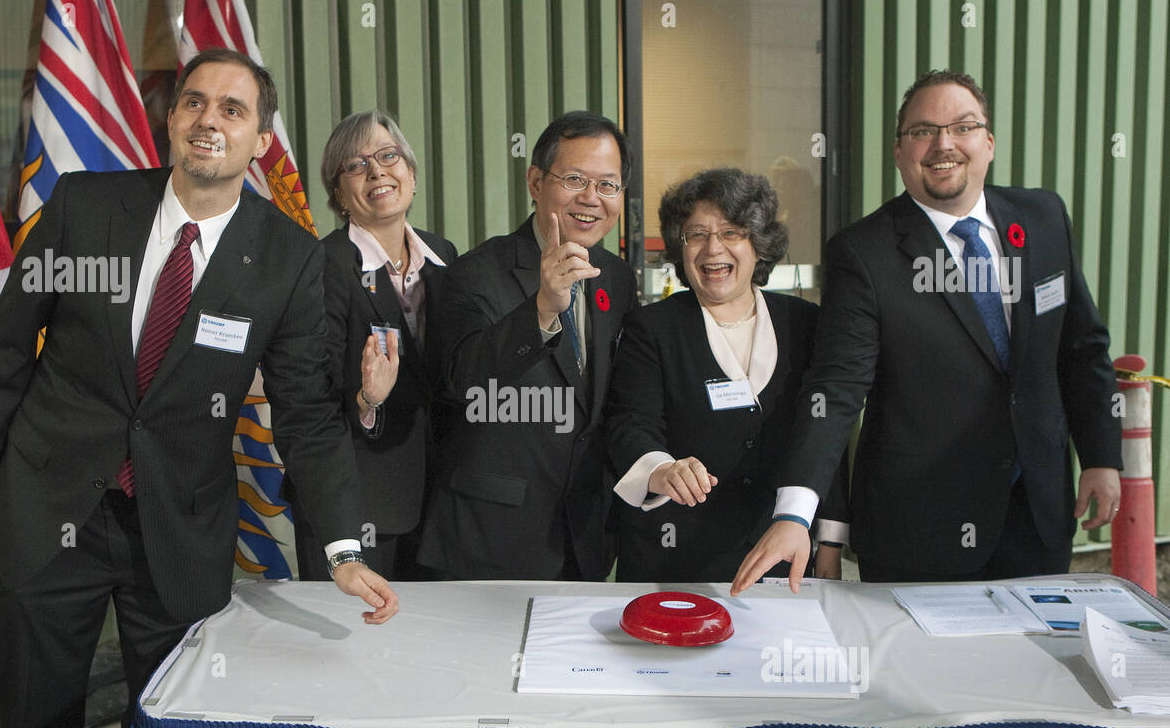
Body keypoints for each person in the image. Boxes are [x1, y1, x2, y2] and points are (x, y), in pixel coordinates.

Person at [0, 48, 398, 728]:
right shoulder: (84, 206)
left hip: (179, 525)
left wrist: (339, 546)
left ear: (260, 138)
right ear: (171, 120)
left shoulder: (289, 259)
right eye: (194, 103)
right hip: (49, 503)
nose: (209, 120)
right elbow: (7, 345)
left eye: (232, 109)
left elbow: (304, 414)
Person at [733, 70, 1122, 593]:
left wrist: (1099, 455)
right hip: (919, 531)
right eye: (922, 131)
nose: (943, 144)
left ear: (988, 142)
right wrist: (795, 513)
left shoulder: (1044, 218)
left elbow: (1081, 349)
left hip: (1037, 513)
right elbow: (837, 388)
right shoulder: (863, 253)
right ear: (899, 152)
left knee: (1031, 668)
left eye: (962, 127)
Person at [418, 112, 637, 579]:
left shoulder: (617, 278)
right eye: (575, 179)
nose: (590, 199)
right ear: (535, 181)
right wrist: (541, 308)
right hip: (490, 541)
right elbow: (462, 383)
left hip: (584, 538)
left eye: (608, 185)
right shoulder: (475, 272)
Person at [606, 168, 847, 582]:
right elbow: (630, 422)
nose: (712, 249)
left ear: (759, 244)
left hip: (782, 558)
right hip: (677, 558)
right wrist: (661, 469)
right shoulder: (653, 328)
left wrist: (830, 541)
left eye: (733, 232)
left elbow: (826, 437)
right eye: (696, 235)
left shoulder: (806, 324)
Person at [286, 110, 456, 580]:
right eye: (356, 165)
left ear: (412, 175)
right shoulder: (322, 265)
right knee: (355, 647)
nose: (378, 171)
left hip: (435, 501)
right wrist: (366, 400)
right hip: (352, 502)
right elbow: (307, 398)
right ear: (339, 194)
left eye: (388, 156)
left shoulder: (445, 257)